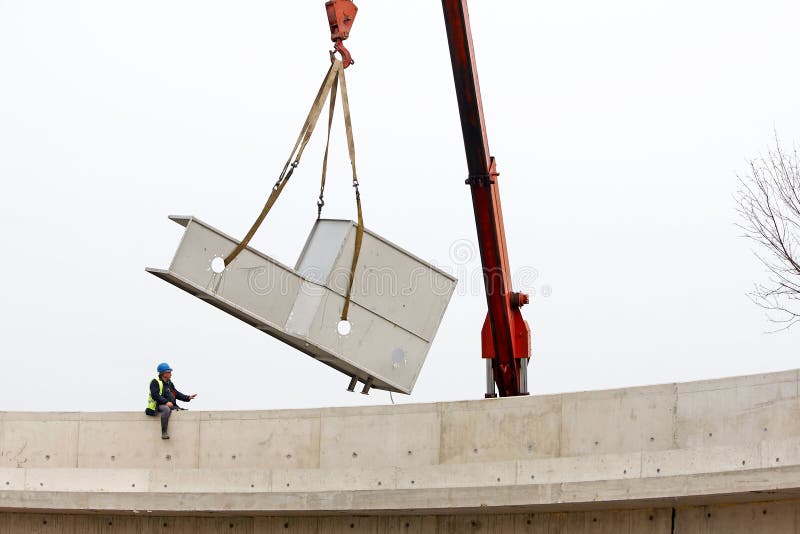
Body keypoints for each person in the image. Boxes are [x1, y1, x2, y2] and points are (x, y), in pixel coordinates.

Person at [145, 362, 197, 439]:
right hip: (157, 405)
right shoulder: (155, 382)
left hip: (170, 405)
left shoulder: (169, 383)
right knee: (166, 409)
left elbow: (176, 393)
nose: (171, 374)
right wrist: (165, 402)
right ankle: (164, 432)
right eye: (169, 372)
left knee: (181, 410)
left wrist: (187, 397)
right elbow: (155, 395)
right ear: (163, 373)